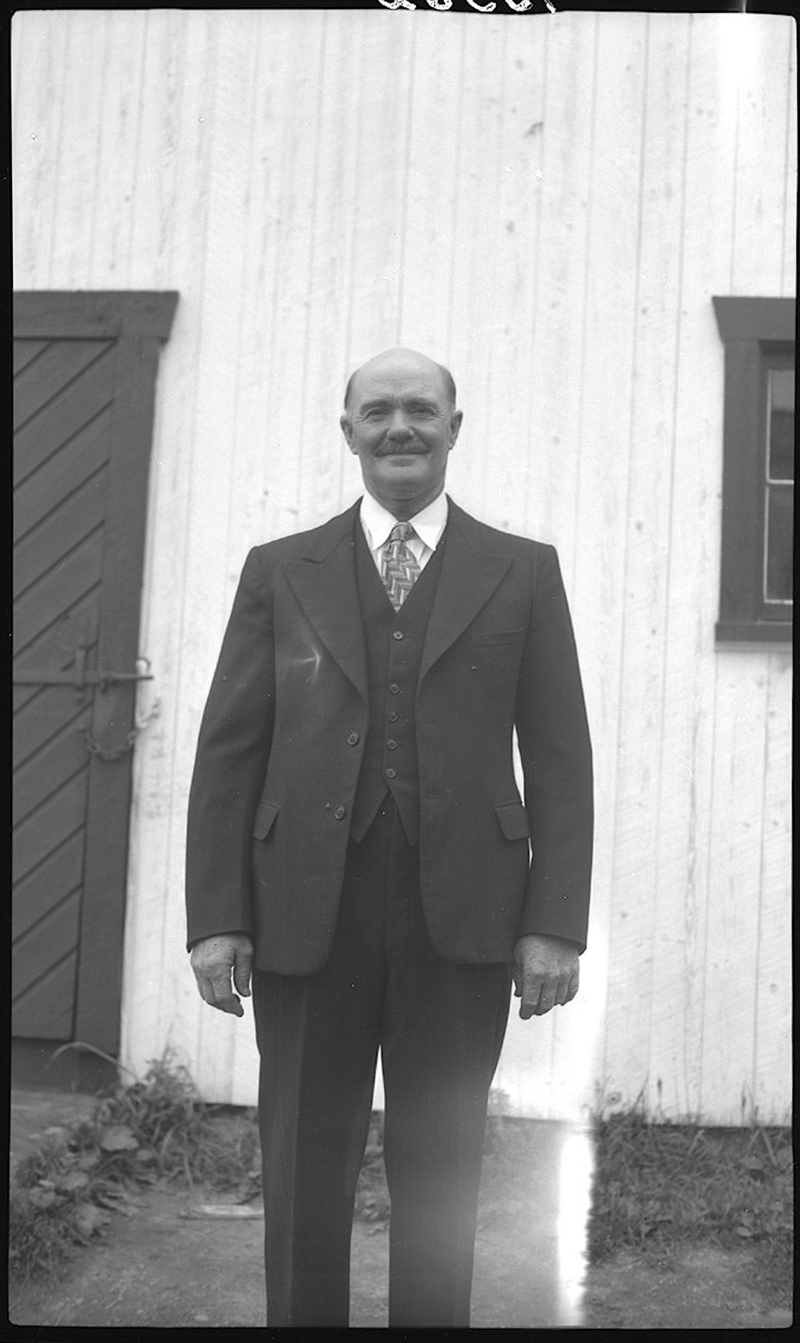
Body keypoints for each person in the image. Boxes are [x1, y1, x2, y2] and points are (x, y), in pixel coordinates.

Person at [185, 348, 593, 1328]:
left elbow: (559, 751)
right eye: (378, 410)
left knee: (443, 1164)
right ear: (347, 430)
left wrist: (554, 926)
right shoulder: (280, 570)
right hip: (301, 910)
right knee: (300, 1163)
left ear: (455, 427)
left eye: (421, 409)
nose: (399, 425)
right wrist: (216, 918)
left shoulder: (521, 571)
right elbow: (229, 752)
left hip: (463, 910)